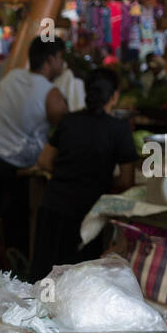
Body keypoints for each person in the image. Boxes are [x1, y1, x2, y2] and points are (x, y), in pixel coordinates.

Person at [30, 68, 138, 282]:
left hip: (54, 207)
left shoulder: (69, 121)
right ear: (114, 96)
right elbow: (127, 181)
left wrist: (70, 171)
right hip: (86, 216)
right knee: (76, 285)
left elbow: (44, 161)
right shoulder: (120, 129)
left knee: (44, 279)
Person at [0, 35, 69, 260]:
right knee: (13, 237)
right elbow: (65, 126)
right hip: (15, 169)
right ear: (51, 59)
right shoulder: (50, 93)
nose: (62, 64)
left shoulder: (10, 78)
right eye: (61, 58)